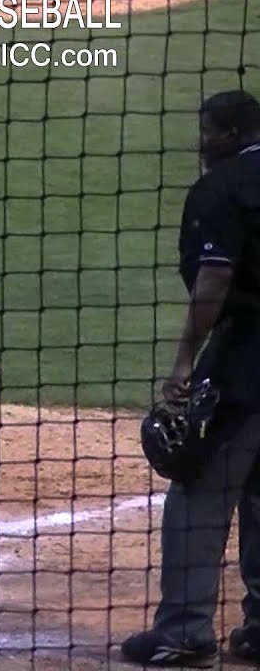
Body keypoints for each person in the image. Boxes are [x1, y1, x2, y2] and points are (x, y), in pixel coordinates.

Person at [120, 89, 260, 667]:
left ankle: (184, 631)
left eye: (207, 131)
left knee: (198, 490)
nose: (201, 143)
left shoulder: (222, 187)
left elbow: (214, 283)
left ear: (226, 135)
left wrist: (184, 360)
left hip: (247, 360)